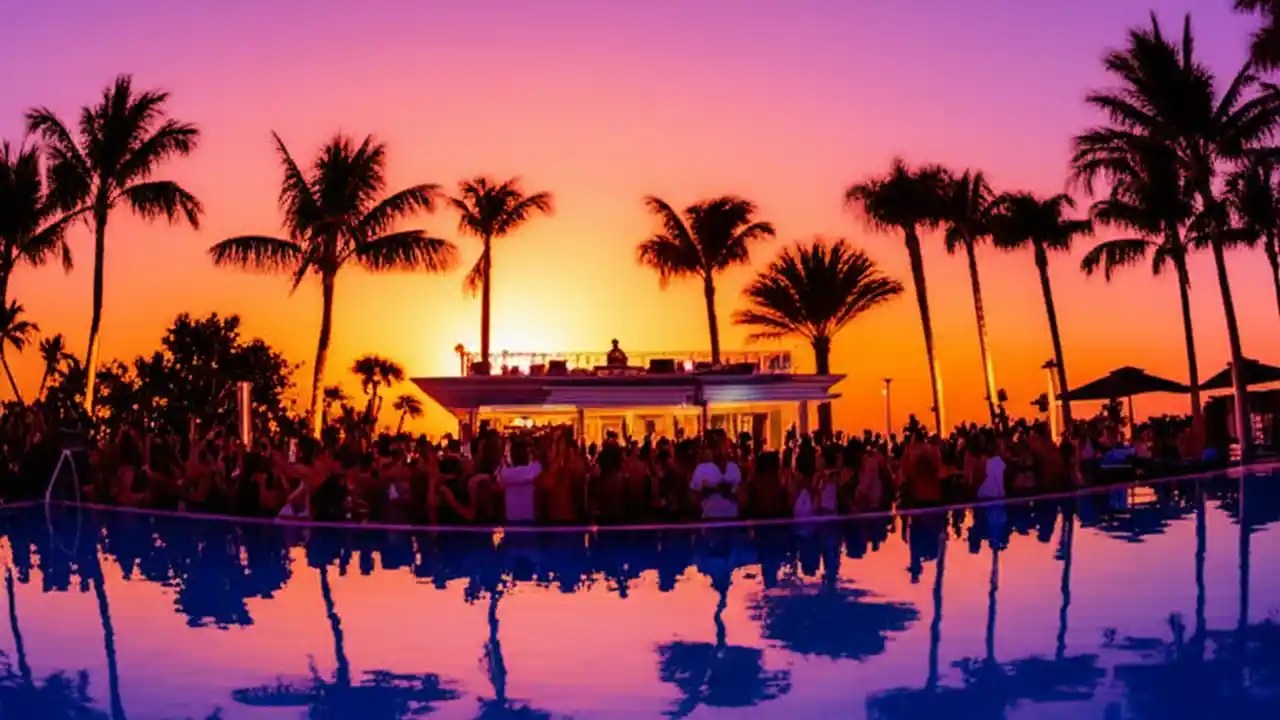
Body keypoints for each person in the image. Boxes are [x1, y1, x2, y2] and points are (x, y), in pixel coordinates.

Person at [689, 432, 742, 520]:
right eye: (717, 447)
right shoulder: (701, 468)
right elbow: (693, 499)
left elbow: (741, 497)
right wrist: (708, 491)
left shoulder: (734, 468)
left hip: (732, 520)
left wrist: (729, 491)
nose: (720, 450)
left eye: (723, 446)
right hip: (709, 520)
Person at [500, 437, 541, 524]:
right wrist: (533, 453)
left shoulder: (505, 473)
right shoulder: (532, 470)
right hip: (529, 520)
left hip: (511, 520)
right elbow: (537, 465)